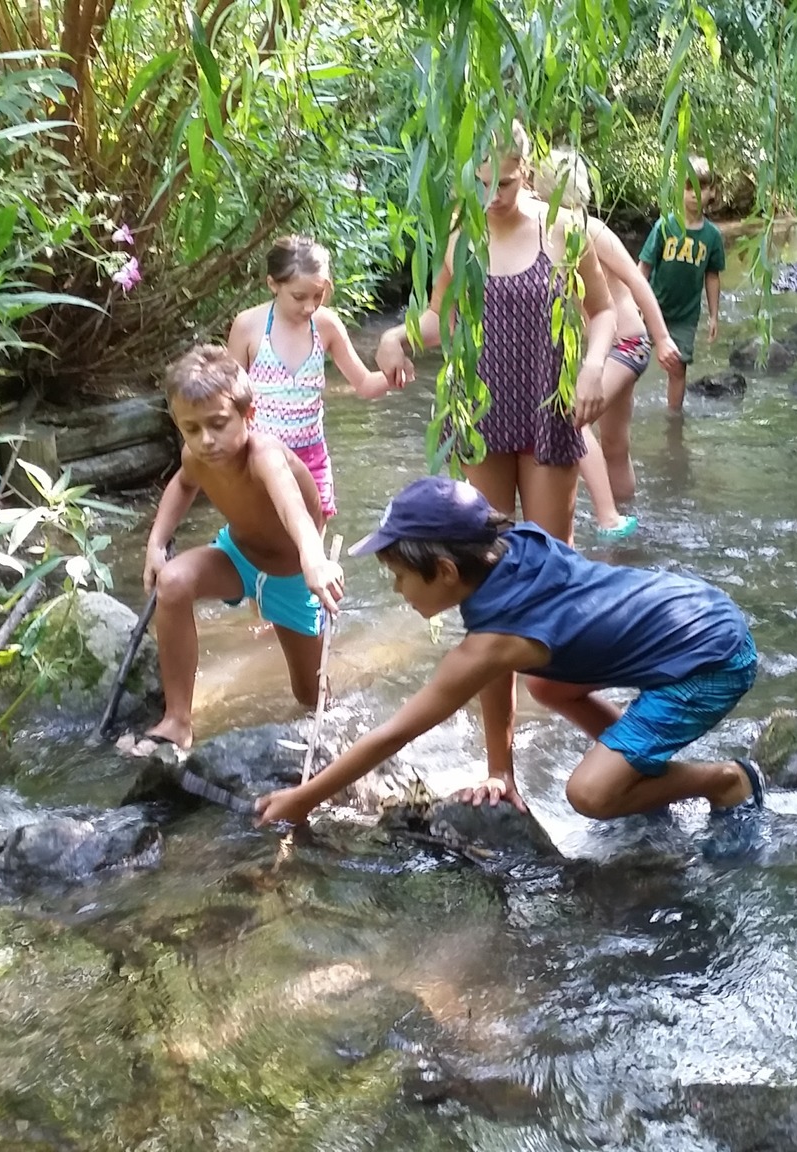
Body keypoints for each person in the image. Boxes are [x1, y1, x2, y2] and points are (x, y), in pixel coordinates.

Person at [252, 476, 764, 826]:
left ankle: (725, 780)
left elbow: (396, 733)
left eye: (401, 577)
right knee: (544, 682)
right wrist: (501, 772)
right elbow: (501, 668)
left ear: (447, 572)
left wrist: (303, 800)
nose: (397, 591)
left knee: (589, 796)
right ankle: (638, 771)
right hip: (695, 610)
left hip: (711, 660)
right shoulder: (508, 546)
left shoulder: (493, 641)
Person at [375, 121, 618, 796]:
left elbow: (602, 313)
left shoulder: (565, 230)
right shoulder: (464, 236)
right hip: (481, 417)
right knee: (489, 589)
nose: (493, 194)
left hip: (548, 411)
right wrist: (399, 333)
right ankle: (500, 769)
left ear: (527, 167)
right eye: (480, 181)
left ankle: (612, 735)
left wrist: (595, 366)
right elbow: (441, 320)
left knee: (548, 579)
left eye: (505, 181)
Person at [117, 346, 346, 757]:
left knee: (313, 699)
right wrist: (156, 543)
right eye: (191, 429)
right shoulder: (197, 455)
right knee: (173, 582)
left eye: (218, 424)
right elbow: (183, 484)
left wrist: (314, 560)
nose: (206, 440)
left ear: (249, 416)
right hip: (236, 557)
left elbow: (293, 510)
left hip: (292, 578)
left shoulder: (266, 457)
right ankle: (177, 721)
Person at [529, 148, 684, 540]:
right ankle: (631, 529)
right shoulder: (551, 231)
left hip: (628, 344)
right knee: (614, 445)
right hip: (617, 348)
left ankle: (608, 518)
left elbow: (637, 281)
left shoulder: (589, 229)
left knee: (569, 420)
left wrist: (662, 335)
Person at [224, 235, 398, 520]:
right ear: (273, 285)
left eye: (317, 296)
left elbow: (365, 385)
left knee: (311, 549)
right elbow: (230, 401)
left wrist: (395, 373)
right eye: (299, 297)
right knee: (263, 544)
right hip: (259, 458)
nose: (309, 307)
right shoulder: (248, 326)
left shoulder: (326, 326)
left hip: (312, 459)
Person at [637, 155, 725, 414]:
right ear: (680, 191)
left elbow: (712, 276)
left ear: (712, 192)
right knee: (632, 359)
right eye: (689, 189)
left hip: (685, 316)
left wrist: (714, 316)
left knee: (678, 367)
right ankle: (623, 407)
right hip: (653, 306)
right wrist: (634, 303)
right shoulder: (665, 226)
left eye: (702, 189)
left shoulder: (712, 236)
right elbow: (644, 266)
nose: (695, 196)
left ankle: (674, 418)